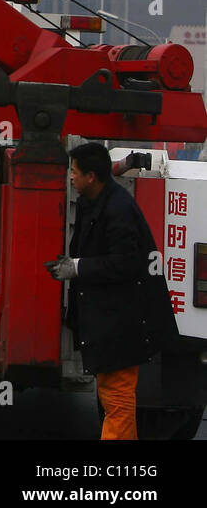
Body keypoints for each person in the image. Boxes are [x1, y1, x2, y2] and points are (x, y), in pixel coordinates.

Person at [46, 141, 179, 440]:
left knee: (117, 403)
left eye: (74, 172)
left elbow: (126, 264)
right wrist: (70, 265)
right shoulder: (94, 202)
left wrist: (77, 267)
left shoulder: (118, 209)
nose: (70, 177)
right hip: (109, 322)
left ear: (91, 177)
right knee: (115, 401)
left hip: (123, 324)